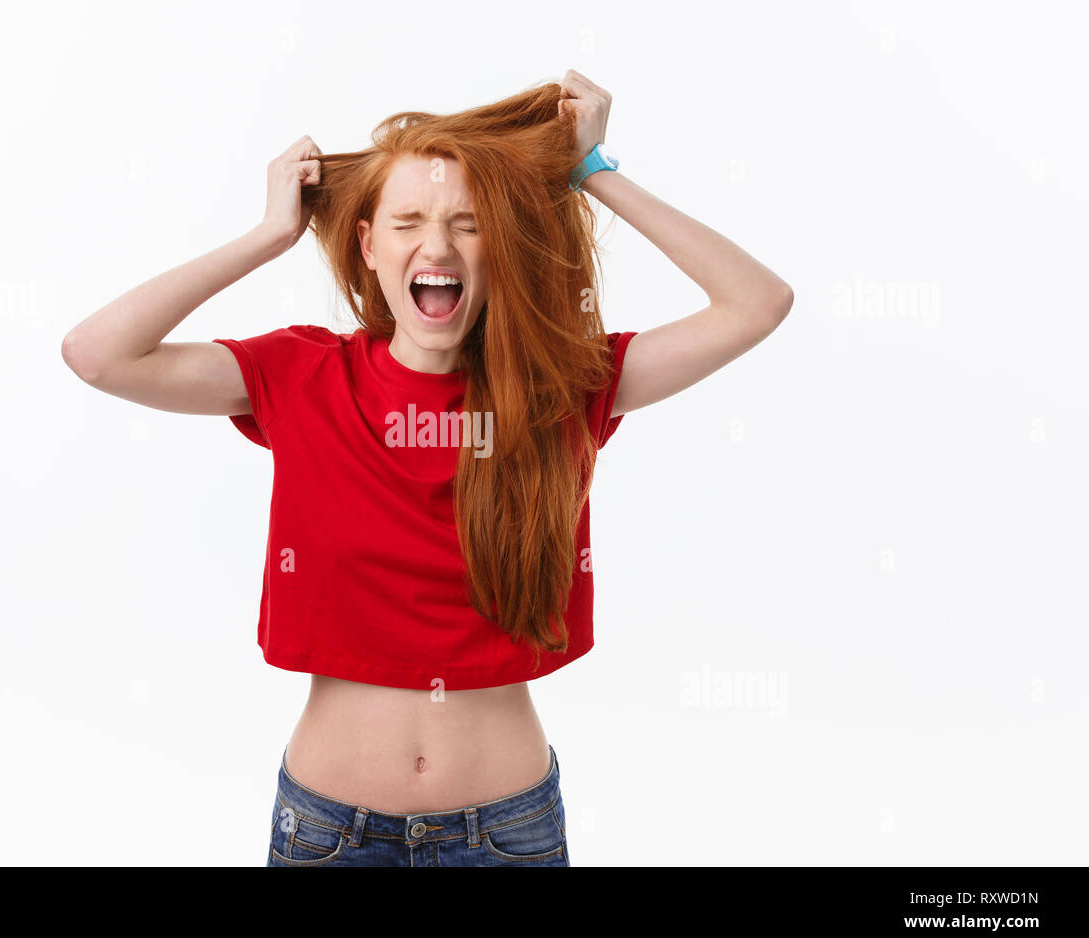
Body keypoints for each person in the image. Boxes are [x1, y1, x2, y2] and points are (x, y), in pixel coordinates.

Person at [60, 70, 793, 866]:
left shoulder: (561, 388)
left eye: (468, 224)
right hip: (329, 833)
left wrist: (595, 171)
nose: (437, 245)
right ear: (369, 246)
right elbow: (97, 355)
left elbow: (756, 303)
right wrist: (271, 235)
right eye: (408, 220)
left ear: (497, 249)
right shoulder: (299, 375)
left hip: (506, 834)